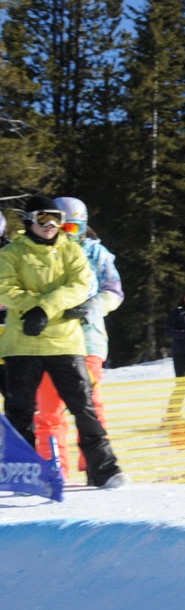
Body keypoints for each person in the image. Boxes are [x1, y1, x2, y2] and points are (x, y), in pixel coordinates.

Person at [0, 195, 126, 488]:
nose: (53, 226)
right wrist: (32, 307)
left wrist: (44, 308)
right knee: (30, 411)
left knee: (85, 406)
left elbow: (84, 285)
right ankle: (32, 471)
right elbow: (5, 287)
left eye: (59, 221)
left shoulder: (77, 251)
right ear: (31, 219)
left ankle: (102, 469)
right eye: (45, 219)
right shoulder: (13, 253)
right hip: (24, 342)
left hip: (69, 341)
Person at [32, 195, 123, 470]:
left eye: (74, 229)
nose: (68, 236)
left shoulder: (96, 253)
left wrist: (93, 305)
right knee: (49, 407)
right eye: (63, 228)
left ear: (83, 228)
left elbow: (114, 290)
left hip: (87, 340)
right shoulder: (41, 253)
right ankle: (52, 466)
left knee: (89, 403)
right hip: (50, 339)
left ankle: (96, 464)